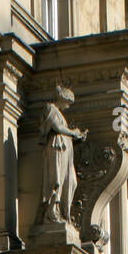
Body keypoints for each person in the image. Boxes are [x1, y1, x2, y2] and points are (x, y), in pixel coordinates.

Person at [39, 86, 87, 225]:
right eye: (68, 103)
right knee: (56, 179)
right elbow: (57, 128)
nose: (67, 106)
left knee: (71, 181)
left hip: (65, 149)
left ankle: (62, 212)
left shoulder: (59, 113)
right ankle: (51, 212)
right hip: (56, 146)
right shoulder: (50, 108)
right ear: (63, 98)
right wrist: (73, 132)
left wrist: (76, 136)